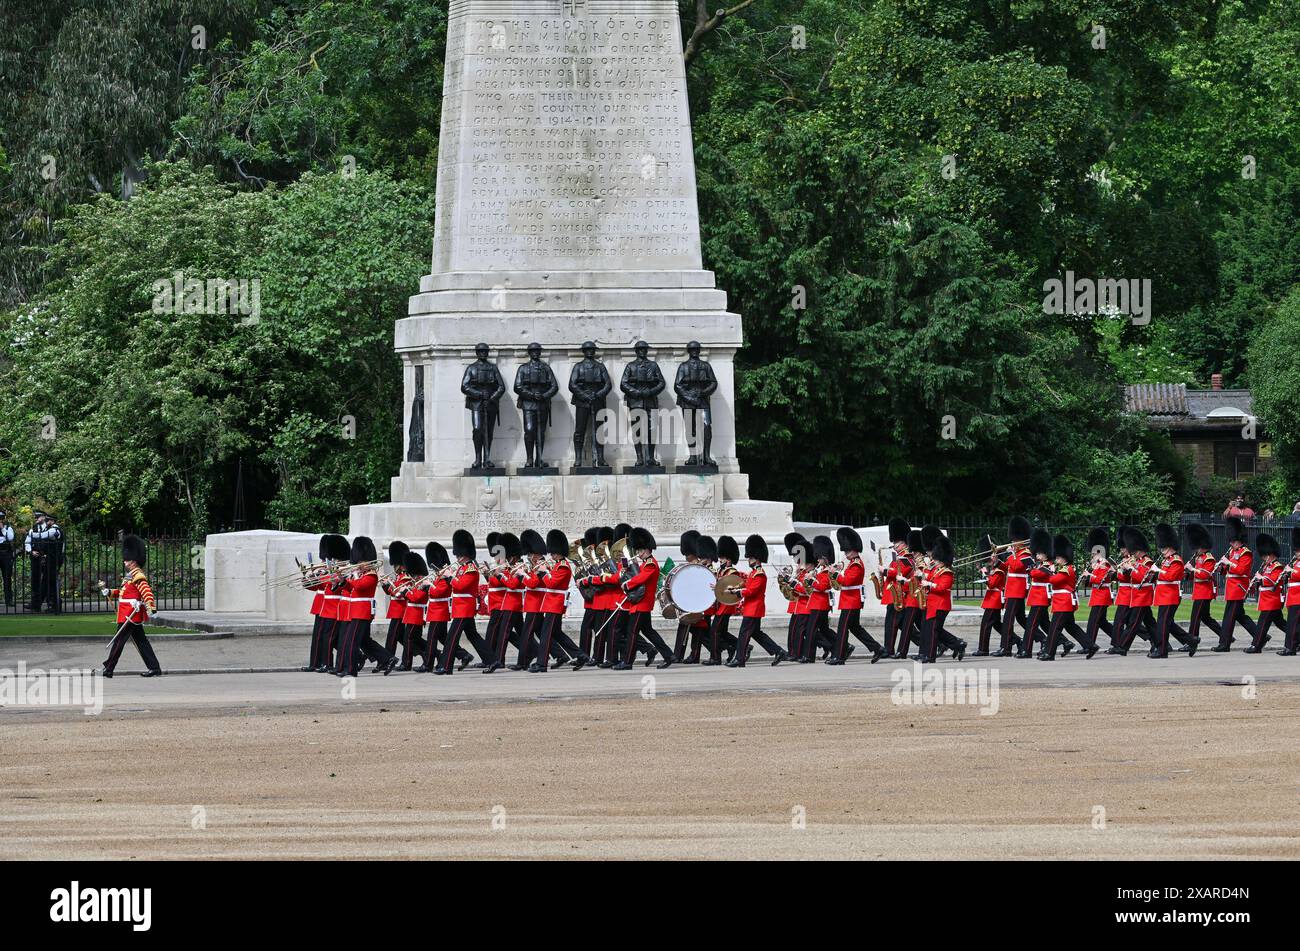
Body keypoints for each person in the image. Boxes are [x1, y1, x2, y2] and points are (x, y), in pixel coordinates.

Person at [613, 527, 675, 670]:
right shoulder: (645, 563)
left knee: (632, 633)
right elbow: (635, 574)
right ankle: (669, 655)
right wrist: (625, 566)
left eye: (640, 551)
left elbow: (640, 579)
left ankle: (627, 662)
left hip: (642, 604)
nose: (639, 554)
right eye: (638, 551)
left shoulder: (651, 564)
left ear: (647, 549)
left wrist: (627, 584)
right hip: (640, 603)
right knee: (649, 632)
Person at [100, 534, 161, 678]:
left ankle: (108, 669)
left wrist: (150, 606)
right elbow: (123, 593)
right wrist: (109, 592)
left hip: (131, 614)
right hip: (128, 613)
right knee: (141, 642)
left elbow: (146, 591)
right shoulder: (130, 576)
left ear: (133, 561)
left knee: (118, 641)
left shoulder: (138, 575)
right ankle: (154, 668)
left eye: (126, 559)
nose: (124, 561)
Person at [727, 535, 788, 666]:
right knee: (756, 634)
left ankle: (739, 659)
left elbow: (751, 591)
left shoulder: (760, 574)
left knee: (744, 634)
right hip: (752, 608)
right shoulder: (753, 573)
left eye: (750, 558)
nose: (748, 560)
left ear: (756, 559)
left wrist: (737, 592)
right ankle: (779, 651)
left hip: (754, 609)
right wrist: (736, 587)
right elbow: (746, 584)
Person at [827, 527, 884, 664]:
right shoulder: (852, 564)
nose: (846, 554)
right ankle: (877, 648)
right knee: (855, 628)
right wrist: (839, 569)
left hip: (851, 601)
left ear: (854, 551)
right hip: (850, 600)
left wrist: (835, 573)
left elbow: (846, 581)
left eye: (847, 551)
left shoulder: (856, 565)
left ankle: (839, 656)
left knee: (843, 629)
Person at [1042, 533, 1095, 659]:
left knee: (1055, 628)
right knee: (1071, 627)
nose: (1056, 559)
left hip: (1063, 603)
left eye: (1058, 557)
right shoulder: (1065, 568)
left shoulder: (1067, 569)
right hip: (1062, 602)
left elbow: (1054, 580)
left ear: (1064, 557)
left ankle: (1049, 653)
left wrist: (1049, 572)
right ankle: (1090, 645)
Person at [1214, 516, 1259, 651]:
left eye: (1233, 541)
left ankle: (1224, 644)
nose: (1231, 544)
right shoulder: (1233, 552)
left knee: (1229, 618)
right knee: (1240, 616)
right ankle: (1260, 635)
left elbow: (1241, 570)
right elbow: (1228, 570)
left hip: (1238, 588)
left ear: (1239, 540)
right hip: (1231, 588)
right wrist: (1221, 567)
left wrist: (1229, 563)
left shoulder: (1246, 553)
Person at [996, 517, 1033, 656]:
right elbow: (1007, 568)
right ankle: (1043, 639)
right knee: (1021, 619)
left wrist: (1011, 554)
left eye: (1014, 540)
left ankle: (1006, 648)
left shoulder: (1025, 553)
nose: (1012, 542)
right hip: (1012, 589)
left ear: (1020, 540)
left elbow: (1017, 567)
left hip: (1017, 590)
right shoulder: (1016, 554)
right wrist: (997, 561)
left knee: (1008, 620)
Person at [1183, 523, 1223, 649]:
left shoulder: (1209, 558)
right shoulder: (1198, 557)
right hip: (1199, 591)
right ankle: (1225, 636)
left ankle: (1191, 642)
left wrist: (1192, 569)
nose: (1196, 549)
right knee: (1206, 618)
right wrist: (1187, 574)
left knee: (1195, 618)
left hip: (1204, 592)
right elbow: (1196, 575)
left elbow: (1205, 575)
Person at [1247, 533, 1284, 653]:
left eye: (1265, 555)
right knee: (1280, 623)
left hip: (1272, 599)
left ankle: (1256, 645)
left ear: (1271, 554)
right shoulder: (1265, 566)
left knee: (1263, 623)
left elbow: (1274, 581)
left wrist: (1261, 578)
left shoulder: (1277, 566)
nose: (1263, 558)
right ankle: (1296, 638)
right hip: (1267, 599)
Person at [1081, 527, 1115, 652]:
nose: (1092, 554)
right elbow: (1092, 582)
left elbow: (1101, 579)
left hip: (1102, 595)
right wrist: (1086, 578)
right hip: (1097, 595)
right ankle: (1119, 639)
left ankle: (1088, 645)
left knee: (1093, 622)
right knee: (1102, 622)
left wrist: (1090, 575)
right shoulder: (1095, 564)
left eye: (1094, 552)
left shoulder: (1104, 563)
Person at [25, 510, 64, 613]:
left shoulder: (54, 530)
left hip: (54, 560)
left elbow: (42, 536)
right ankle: (38, 604)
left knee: (50, 582)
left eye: (48, 520)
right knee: (46, 582)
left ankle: (54, 606)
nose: (46, 522)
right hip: (49, 559)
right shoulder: (51, 529)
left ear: (52, 521)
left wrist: (30, 533)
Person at [973, 534, 1005, 657]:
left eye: (993, 556)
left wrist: (985, 574)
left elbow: (991, 584)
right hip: (991, 599)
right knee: (996, 624)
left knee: (986, 625)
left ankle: (983, 649)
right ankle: (1015, 640)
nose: (991, 558)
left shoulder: (999, 570)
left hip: (995, 600)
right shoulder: (993, 569)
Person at [1281, 526, 1300, 656]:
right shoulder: (1295, 562)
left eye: (1298, 551)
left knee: (1293, 624)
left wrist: (1290, 571)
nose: (1296, 553)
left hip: (1298, 595)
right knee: (1295, 624)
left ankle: (1290, 648)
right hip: (1292, 595)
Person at [0, 510, 14, 607]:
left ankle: (8, 600)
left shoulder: (8, 528)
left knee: (7, 578)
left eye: (1, 519)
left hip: (6, 554)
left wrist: (2, 529)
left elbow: (10, 538)